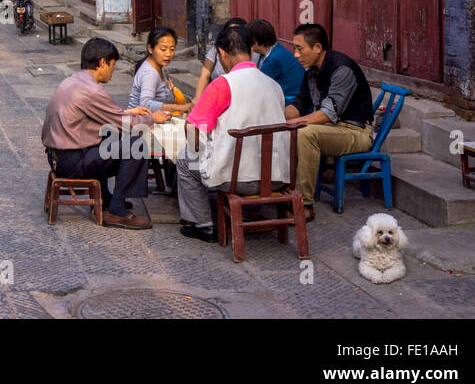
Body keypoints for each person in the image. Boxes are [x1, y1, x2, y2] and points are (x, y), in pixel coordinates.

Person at [41, 37, 171, 229]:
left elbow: (101, 117)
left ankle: (107, 197)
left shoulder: (74, 80)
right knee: (136, 144)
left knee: (111, 138)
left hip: (58, 156)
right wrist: (153, 118)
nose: (112, 71)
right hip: (71, 162)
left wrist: (127, 112)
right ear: (102, 62)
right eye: (112, 65)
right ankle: (117, 210)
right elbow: (125, 124)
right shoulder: (91, 90)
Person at [175, 25, 290, 242]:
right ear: (252, 51)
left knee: (184, 160)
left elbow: (192, 129)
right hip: (277, 176)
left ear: (221, 53)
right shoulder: (274, 85)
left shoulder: (222, 85)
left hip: (236, 180)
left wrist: (200, 151)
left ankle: (203, 224)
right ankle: (249, 213)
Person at [285, 23, 375, 219]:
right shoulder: (311, 72)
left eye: (300, 49)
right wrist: (272, 116)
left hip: (355, 132)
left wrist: (293, 123)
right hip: (331, 129)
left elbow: (327, 114)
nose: (296, 55)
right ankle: (282, 191)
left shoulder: (342, 69)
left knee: (305, 133)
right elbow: (298, 106)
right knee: (281, 131)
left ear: (317, 47)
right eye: (295, 49)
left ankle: (304, 205)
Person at [129, 26, 190, 114]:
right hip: (140, 123)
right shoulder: (150, 73)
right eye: (163, 49)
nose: (168, 54)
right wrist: (180, 107)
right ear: (150, 49)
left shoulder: (158, 67)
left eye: (172, 49)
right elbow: (145, 104)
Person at [195, 17, 263, 94]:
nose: (233, 36)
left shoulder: (257, 52)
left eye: (237, 31)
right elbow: (205, 74)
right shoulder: (216, 49)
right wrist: (197, 97)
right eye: (229, 31)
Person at [248, 19, 303, 103]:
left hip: (292, 101)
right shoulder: (272, 50)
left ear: (254, 42)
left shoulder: (274, 58)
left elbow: (257, 84)